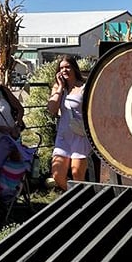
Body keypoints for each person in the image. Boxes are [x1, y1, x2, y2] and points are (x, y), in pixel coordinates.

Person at [46, 55, 91, 190]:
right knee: (57, 175)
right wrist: (60, 87)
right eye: (61, 68)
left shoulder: (84, 87)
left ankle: (79, 198)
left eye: (67, 67)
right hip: (64, 136)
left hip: (80, 135)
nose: (64, 70)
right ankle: (75, 195)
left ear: (74, 68)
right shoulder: (58, 88)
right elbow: (52, 109)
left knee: (77, 174)